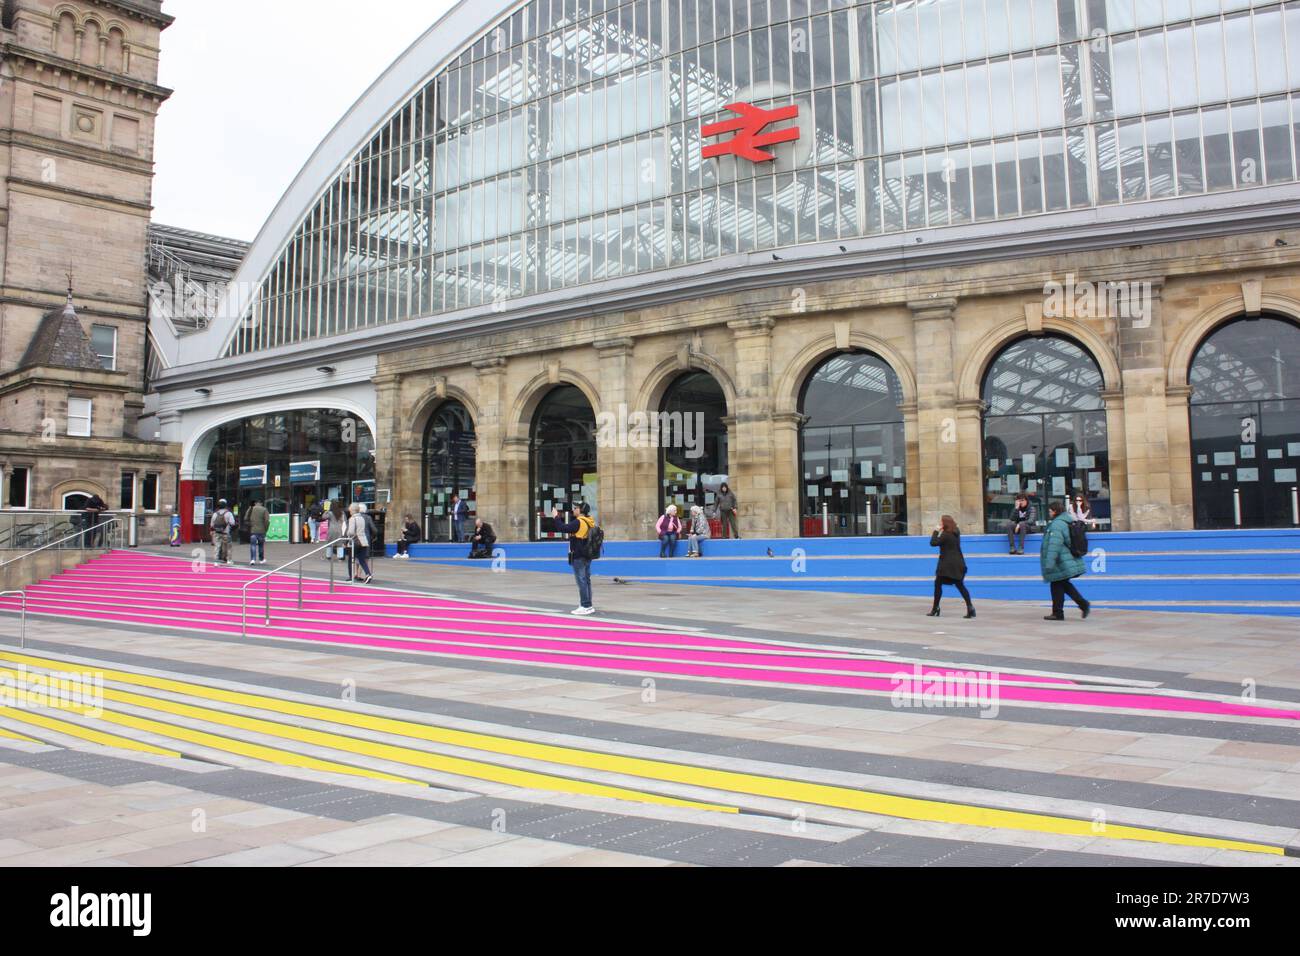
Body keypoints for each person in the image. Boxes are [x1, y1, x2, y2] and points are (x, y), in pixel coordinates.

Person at [1041, 500, 1090, 621]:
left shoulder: (1057, 524)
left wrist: (1049, 562)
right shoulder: (1065, 521)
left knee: (1060, 584)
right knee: (1060, 585)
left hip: (1060, 560)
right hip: (1063, 559)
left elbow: (1054, 544)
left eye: (1050, 510)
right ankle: (1059, 612)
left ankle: (1081, 605)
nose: (1049, 512)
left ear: (1055, 511)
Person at [928, 515, 975, 618]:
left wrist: (936, 531)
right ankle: (970, 607)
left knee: (937, 584)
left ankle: (935, 609)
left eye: (941, 522)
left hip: (947, 565)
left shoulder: (945, 534)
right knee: (960, 585)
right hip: (959, 563)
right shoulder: (956, 532)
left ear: (944, 523)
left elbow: (933, 543)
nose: (940, 524)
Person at [553, 503, 596, 615]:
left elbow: (562, 528)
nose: (573, 510)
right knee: (586, 580)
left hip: (578, 554)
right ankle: (589, 605)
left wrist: (556, 517)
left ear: (581, 510)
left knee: (581, 580)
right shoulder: (590, 520)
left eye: (576, 508)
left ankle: (585, 605)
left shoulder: (579, 521)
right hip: (588, 554)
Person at [345, 502, 373, 583]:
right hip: (364, 541)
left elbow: (350, 532)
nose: (349, 511)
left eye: (350, 509)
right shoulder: (362, 518)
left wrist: (347, 537)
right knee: (362, 560)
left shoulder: (352, 519)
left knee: (351, 559)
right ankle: (368, 574)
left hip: (355, 542)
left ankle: (351, 577)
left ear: (353, 510)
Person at [210, 498, 237, 566]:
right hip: (226, 533)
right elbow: (232, 523)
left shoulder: (215, 514)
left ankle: (215, 562)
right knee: (228, 547)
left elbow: (212, 525)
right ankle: (229, 560)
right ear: (226, 505)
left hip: (217, 533)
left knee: (217, 547)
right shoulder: (228, 513)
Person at [246, 498, 270, 565]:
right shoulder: (264, 509)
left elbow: (245, 518)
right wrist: (266, 529)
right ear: (261, 503)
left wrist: (251, 524)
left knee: (253, 545)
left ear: (255, 503)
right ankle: (261, 559)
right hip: (261, 531)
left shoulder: (250, 509)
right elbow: (267, 521)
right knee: (261, 545)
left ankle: (252, 559)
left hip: (253, 530)